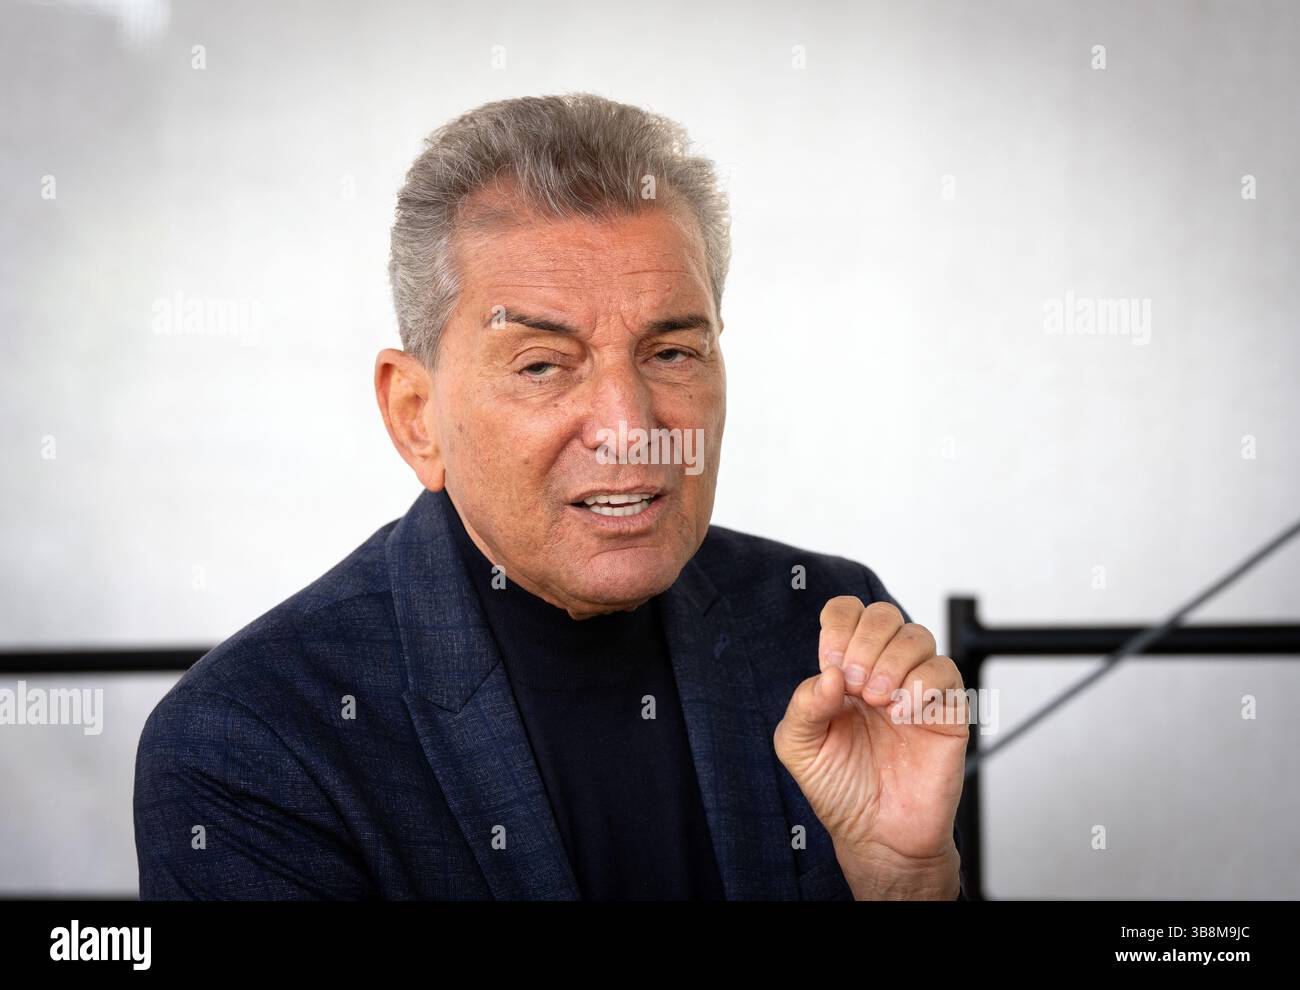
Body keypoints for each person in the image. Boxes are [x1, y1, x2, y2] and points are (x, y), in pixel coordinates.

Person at [133, 92, 969, 900]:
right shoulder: (254, 741)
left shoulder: (821, 628)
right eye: (542, 364)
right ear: (416, 416)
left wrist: (903, 882)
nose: (627, 427)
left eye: (671, 352)